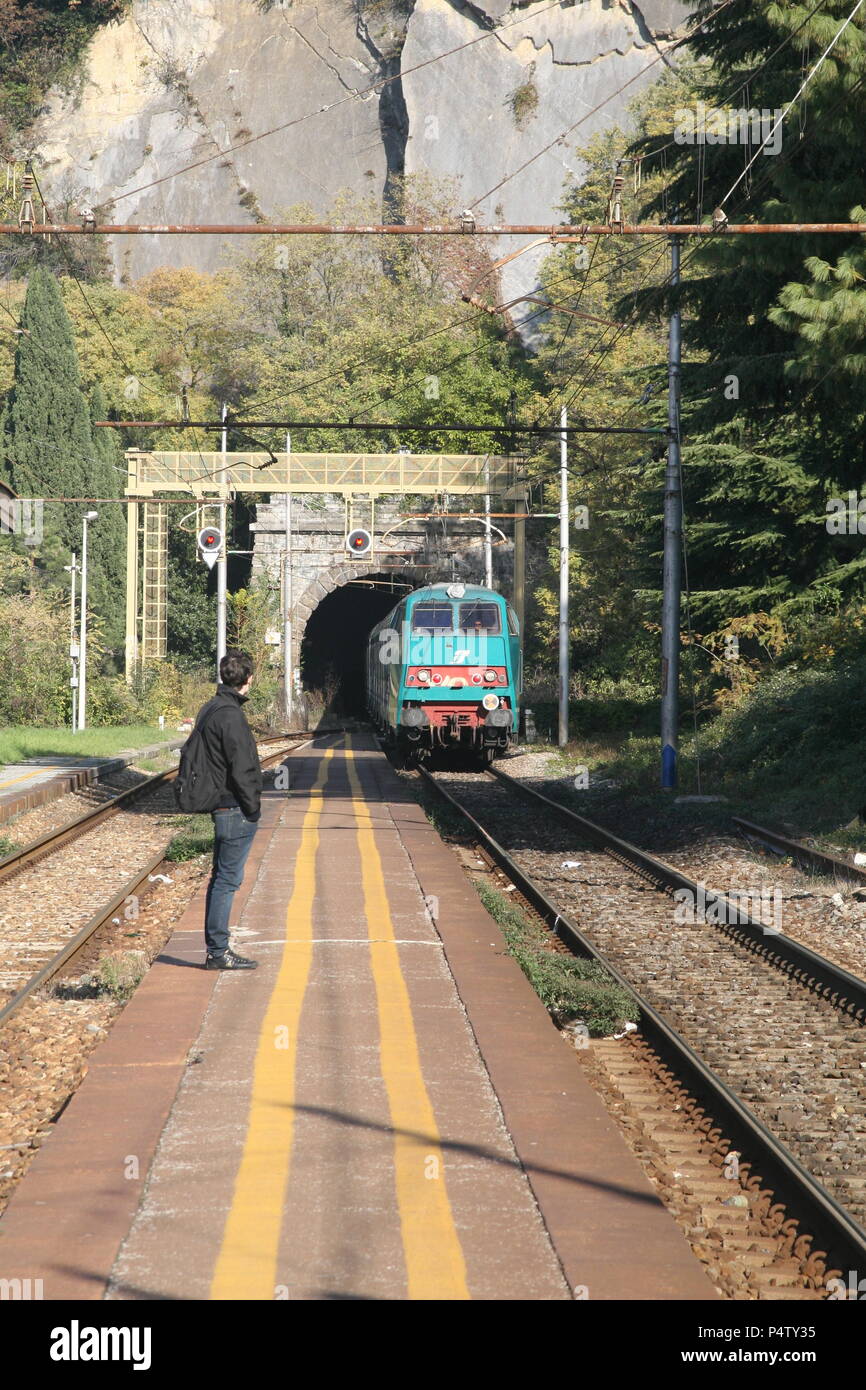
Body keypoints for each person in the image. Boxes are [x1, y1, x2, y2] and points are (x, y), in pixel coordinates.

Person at [197, 649, 263, 970]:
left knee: (220, 878)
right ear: (248, 679)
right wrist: (253, 808)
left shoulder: (211, 708)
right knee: (227, 881)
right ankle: (218, 952)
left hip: (219, 804)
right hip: (234, 807)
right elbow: (242, 768)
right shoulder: (231, 715)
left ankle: (216, 949)